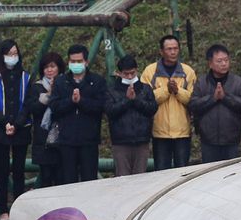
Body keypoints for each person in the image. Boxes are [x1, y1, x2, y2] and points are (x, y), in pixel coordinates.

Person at [0, 39, 32, 220]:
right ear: (2, 56)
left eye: (15, 53)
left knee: (19, 171)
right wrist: (4, 123)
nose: (13, 57)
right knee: (2, 170)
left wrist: (17, 124)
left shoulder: (26, 77)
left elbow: (28, 103)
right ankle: (3, 209)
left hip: (21, 129)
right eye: (9, 54)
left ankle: (18, 210)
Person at [49, 44, 107, 183]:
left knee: (89, 180)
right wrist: (71, 101)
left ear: (86, 62)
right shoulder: (61, 82)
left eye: (79, 61)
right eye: (73, 61)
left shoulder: (97, 81)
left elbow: (100, 106)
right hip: (66, 140)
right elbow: (55, 106)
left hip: (89, 140)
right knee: (68, 181)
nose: (76, 64)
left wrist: (81, 101)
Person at [188, 44, 241, 163]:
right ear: (210, 64)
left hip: (231, 139)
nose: (224, 64)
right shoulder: (202, 83)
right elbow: (193, 105)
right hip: (208, 140)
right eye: (219, 61)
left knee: (231, 174)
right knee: (211, 174)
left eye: (226, 60)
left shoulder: (238, 82)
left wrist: (225, 97)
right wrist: (213, 98)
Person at [141, 35, 196, 170]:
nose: (173, 52)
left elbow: (193, 99)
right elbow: (145, 98)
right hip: (160, 132)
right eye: (169, 49)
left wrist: (177, 91)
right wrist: (166, 90)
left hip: (182, 132)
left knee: (182, 171)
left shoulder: (187, 71)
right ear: (161, 51)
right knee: (161, 172)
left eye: (175, 48)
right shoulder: (150, 71)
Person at [104, 54, 157, 176]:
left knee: (140, 177)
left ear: (137, 71)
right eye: (126, 74)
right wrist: (127, 100)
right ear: (119, 73)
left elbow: (152, 108)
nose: (129, 76)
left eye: (132, 73)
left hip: (142, 140)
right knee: (123, 177)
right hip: (121, 141)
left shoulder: (145, 89)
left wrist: (136, 100)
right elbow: (110, 111)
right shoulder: (112, 90)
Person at [26, 52, 65, 188]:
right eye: (46, 67)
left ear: (59, 68)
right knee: (46, 178)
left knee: (62, 178)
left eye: (52, 66)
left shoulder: (66, 85)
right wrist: (48, 96)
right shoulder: (36, 87)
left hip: (63, 138)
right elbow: (33, 109)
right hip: (43, 139)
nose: (49, 70)